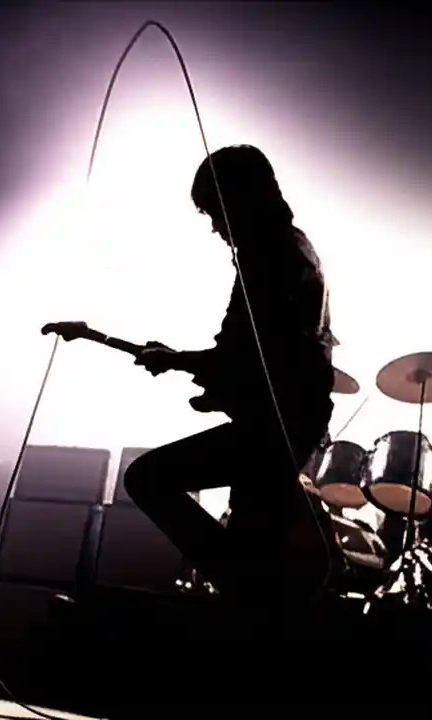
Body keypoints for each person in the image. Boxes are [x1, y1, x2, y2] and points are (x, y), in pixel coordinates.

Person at [122, 145, 337, 622]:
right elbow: (256, 354)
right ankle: (256, 590)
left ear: (241, 199)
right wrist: (198, 371)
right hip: (288, 421)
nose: (217, 227)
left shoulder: (272, 256)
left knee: (147, 478)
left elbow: (253, 353)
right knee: (254, 532)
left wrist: (182, 362)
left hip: (276, 426)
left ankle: (247, 583)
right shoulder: (287, 249)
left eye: (216, 211)